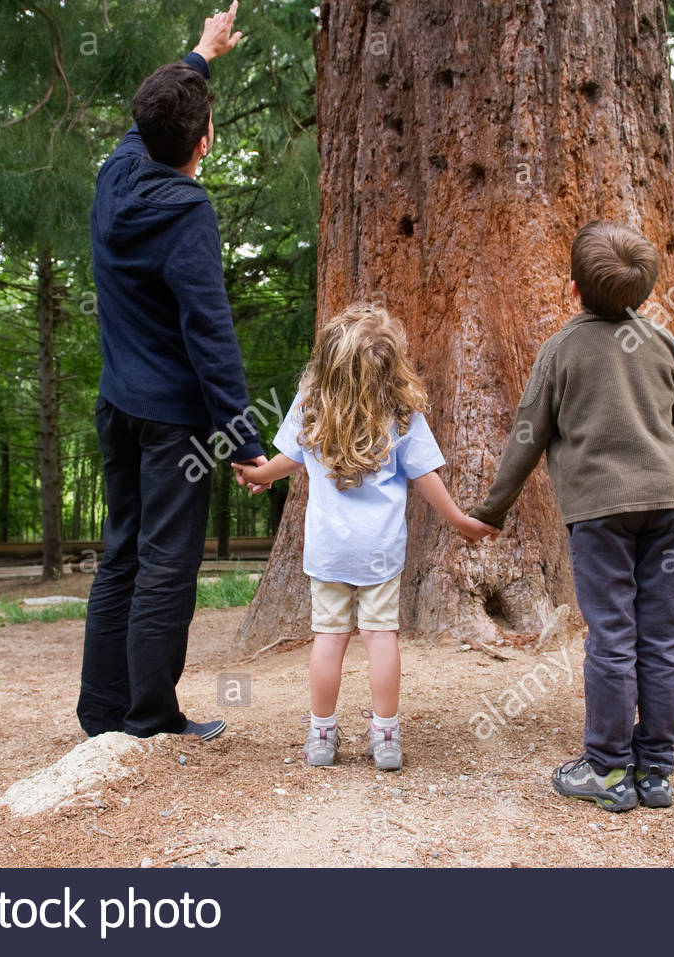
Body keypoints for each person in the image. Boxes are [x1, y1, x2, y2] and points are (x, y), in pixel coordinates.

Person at [470, 221, 674, 812]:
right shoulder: (662, 343)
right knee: (663, 635)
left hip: (600, 515)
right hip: (669, 507)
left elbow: (527, 436)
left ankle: (607, 769)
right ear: (644, 291)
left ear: (573, 289)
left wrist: (492, 510)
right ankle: (655, 769)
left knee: (613, 636)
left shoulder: (561, 349)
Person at [78, 4, 263, 743]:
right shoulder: (187, 208)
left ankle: (103, 713)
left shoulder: (117, 172)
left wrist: (203, 51)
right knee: (164, 567)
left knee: (120, 554)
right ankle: (150, 715)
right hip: (172, 425)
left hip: (117, 405)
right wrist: (245, 441)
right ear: (205, 142)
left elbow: (159, 110)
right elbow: (209, 333)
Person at [233, 305, 497, 771]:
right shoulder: (401, 414)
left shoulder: (310, 404)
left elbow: (288, 460)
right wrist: (460, 520)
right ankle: (386, 735)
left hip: (328, 551)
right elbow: (425, 476)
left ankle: (320, 733)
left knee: (329, 639)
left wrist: (261, 476)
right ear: (392, 364)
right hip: (379, 551)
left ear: (326, 364)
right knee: (380, 637)